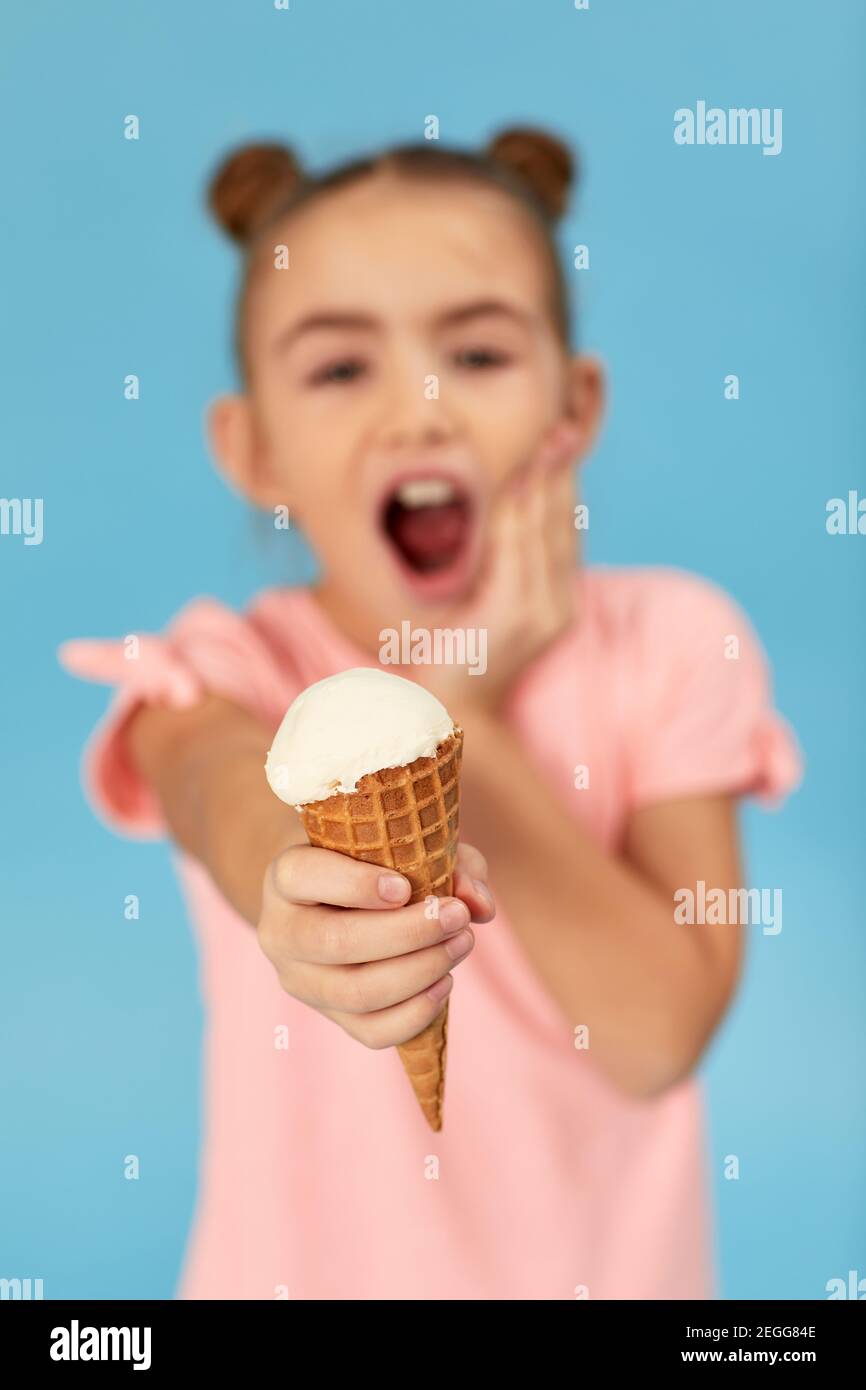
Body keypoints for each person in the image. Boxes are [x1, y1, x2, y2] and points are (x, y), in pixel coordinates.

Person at [59, 127, 802, 1299]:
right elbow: (220, 783)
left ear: (575, 400)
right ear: (250, 448)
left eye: (476, 351)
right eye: (342, 368)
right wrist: (288, 887)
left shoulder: (669, 642)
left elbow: (658, 1038)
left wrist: (462, 708)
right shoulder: (224, 667)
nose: (417, 412)